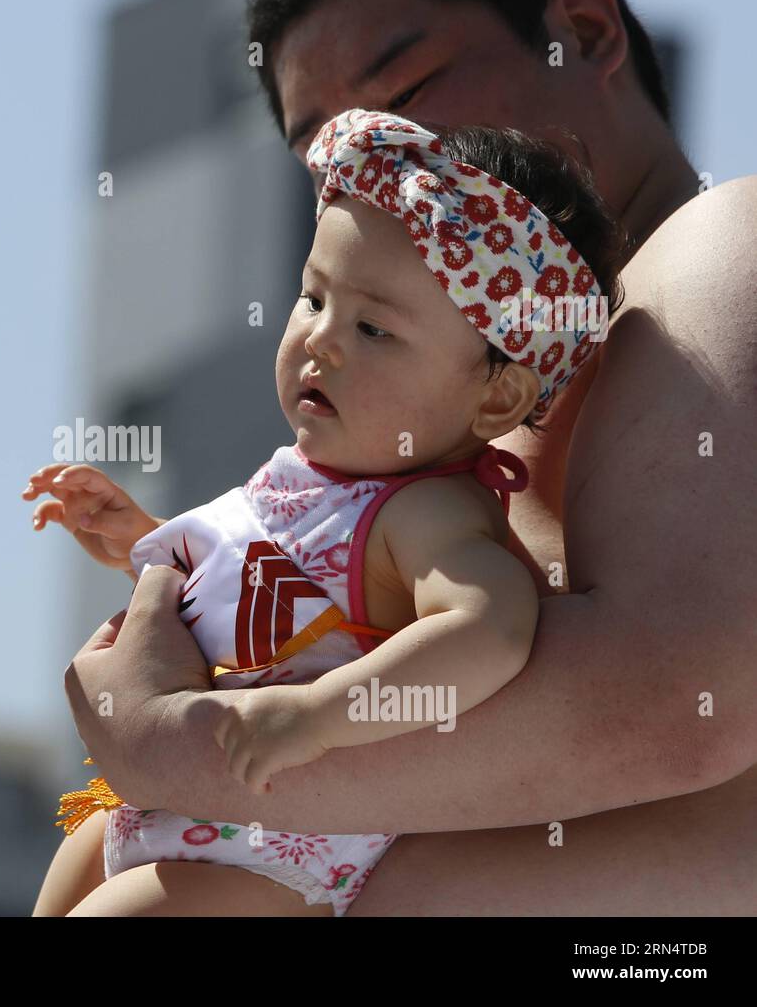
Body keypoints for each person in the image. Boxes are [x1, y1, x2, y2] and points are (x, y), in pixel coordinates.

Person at [53, 0, 757, 916]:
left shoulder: (716, 242)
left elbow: (674, 696)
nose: (388, 165)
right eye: (329, 152)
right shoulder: (415, 407)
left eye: (404, 95)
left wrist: (179, 743)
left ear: (581, 30)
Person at [31, 108, 621, 915]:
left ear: (500, 395)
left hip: (270, 850)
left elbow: (492, 626)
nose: (322, 341)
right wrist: (138, 535)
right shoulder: (309, 478)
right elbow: (255, 583)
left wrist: (320, 713)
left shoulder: (426, 510)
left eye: (374, 327)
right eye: (313, 298)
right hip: (170, 805)